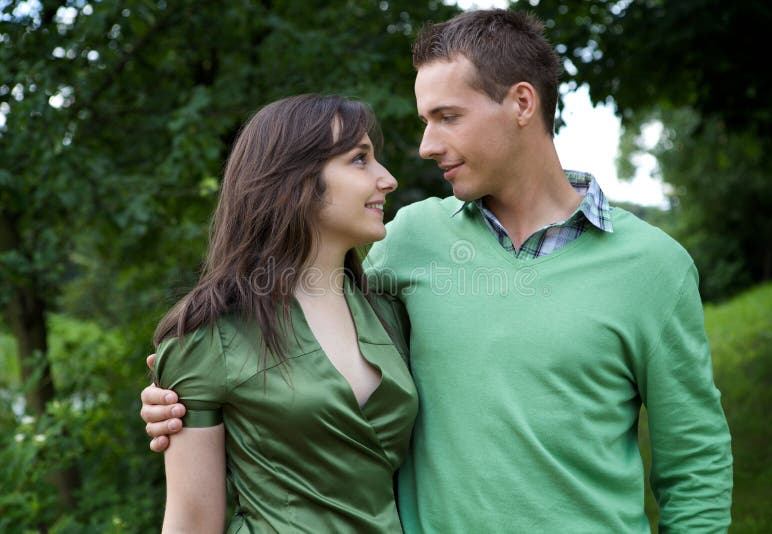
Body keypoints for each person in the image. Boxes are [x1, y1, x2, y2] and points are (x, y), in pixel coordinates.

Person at [141, 10, 733, 532]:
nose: (426, 145)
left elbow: (696, 464)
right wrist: (181, 396)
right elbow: (296, 335)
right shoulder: (410, 240)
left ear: (521, 103)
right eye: (426, 119)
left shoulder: (653, 267)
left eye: (447, 116)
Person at [148, 93, 417, 533]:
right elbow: (191, 522)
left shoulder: (390, 314)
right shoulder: (209, 337)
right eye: (359, 159)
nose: (387, 179)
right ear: (296, 180)